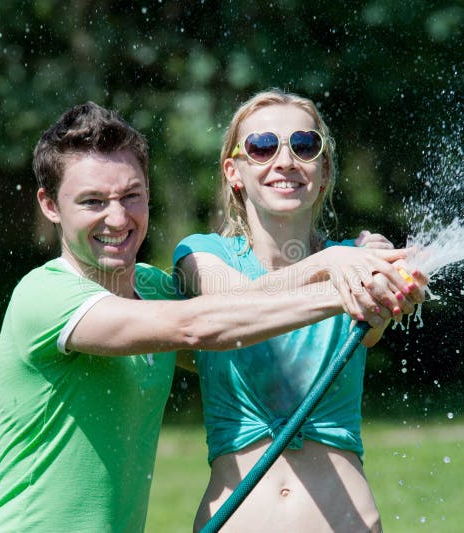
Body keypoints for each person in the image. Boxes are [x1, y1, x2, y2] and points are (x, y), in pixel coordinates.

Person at [0, 101, 423, 532]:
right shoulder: (46, 296)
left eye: (131, 196)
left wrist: (382, 274)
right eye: (92, 201)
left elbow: (233, 328)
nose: (117, 217)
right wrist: (335, 275)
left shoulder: (154, 290)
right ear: (50, 205)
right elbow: (198, 325)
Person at [174, 89, 427, 532]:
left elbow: (370, 329)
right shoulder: (201, 254)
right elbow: (229, 307)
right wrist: (327, 264)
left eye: (305, 145)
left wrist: (395, 281)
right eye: (262, 146)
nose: (286, 160)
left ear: (324, 170)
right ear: (234, 171)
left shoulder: (358, 260)